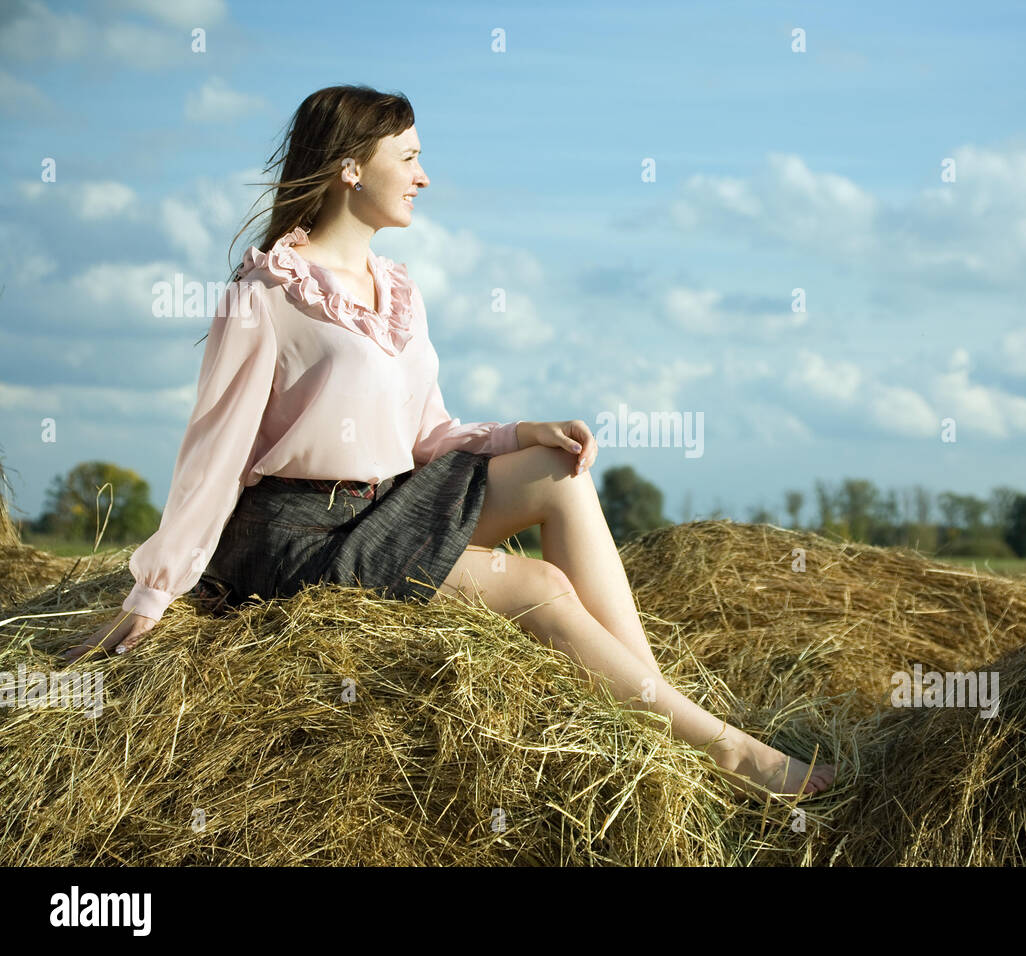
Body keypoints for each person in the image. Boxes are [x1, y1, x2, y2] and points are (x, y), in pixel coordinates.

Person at [62, 85, 835, 805]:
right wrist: (154, 591)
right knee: (537, 589)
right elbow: (214, 449)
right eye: (410, 157)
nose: (424, 177)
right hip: (298, 536)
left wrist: (521, 433)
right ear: (350, 168)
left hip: (385, 505)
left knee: (558, 472)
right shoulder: (268, 290)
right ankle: (735, 758)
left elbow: (427, 432)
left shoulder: (398, 289)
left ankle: (656, 711)